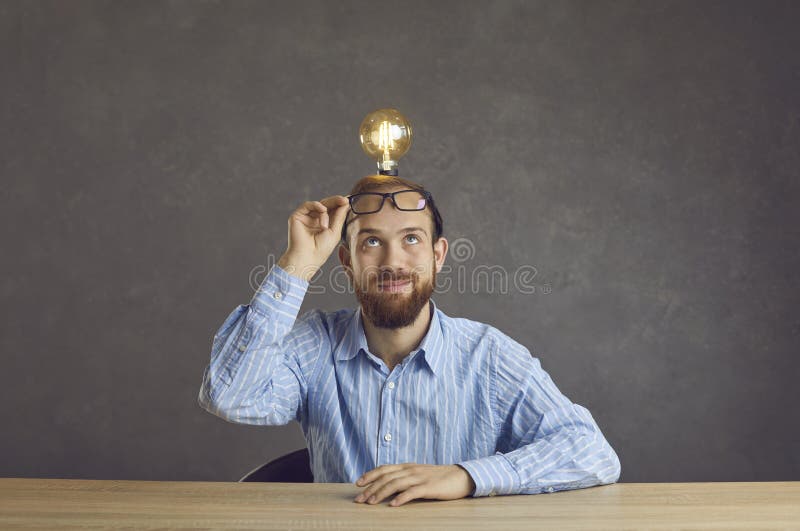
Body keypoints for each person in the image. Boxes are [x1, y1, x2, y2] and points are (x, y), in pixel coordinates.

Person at [198, 174, 621, 507]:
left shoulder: (489, 357)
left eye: (411, 239)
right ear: (345, 261)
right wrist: (297, 264)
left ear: (438, 255)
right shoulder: (314, 344)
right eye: (371, 242)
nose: (392, 262)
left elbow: (591, 452)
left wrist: (465, 476)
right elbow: (231, 396)